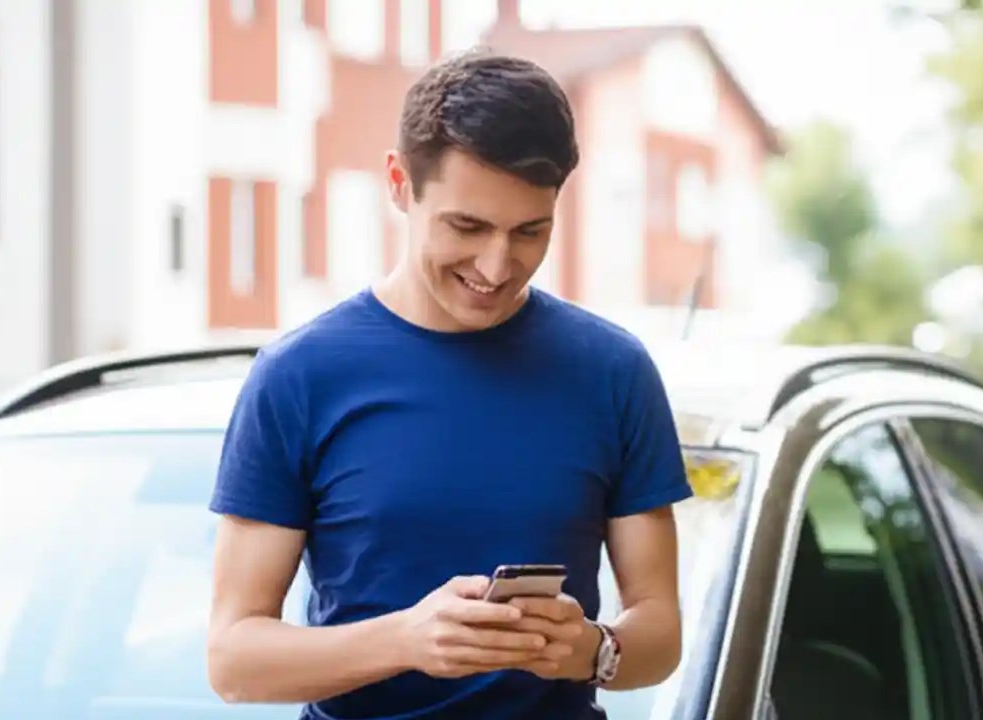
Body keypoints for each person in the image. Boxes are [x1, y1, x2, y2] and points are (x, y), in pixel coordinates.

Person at [207, 49, 692, 720]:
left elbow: (660, 633)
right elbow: (234, 661)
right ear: (399, 184)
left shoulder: (613, 372)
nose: (497, 266)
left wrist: (589, 649)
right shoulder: (299, 377)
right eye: (467, 227)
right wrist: (406, 640)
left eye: (530, 231)